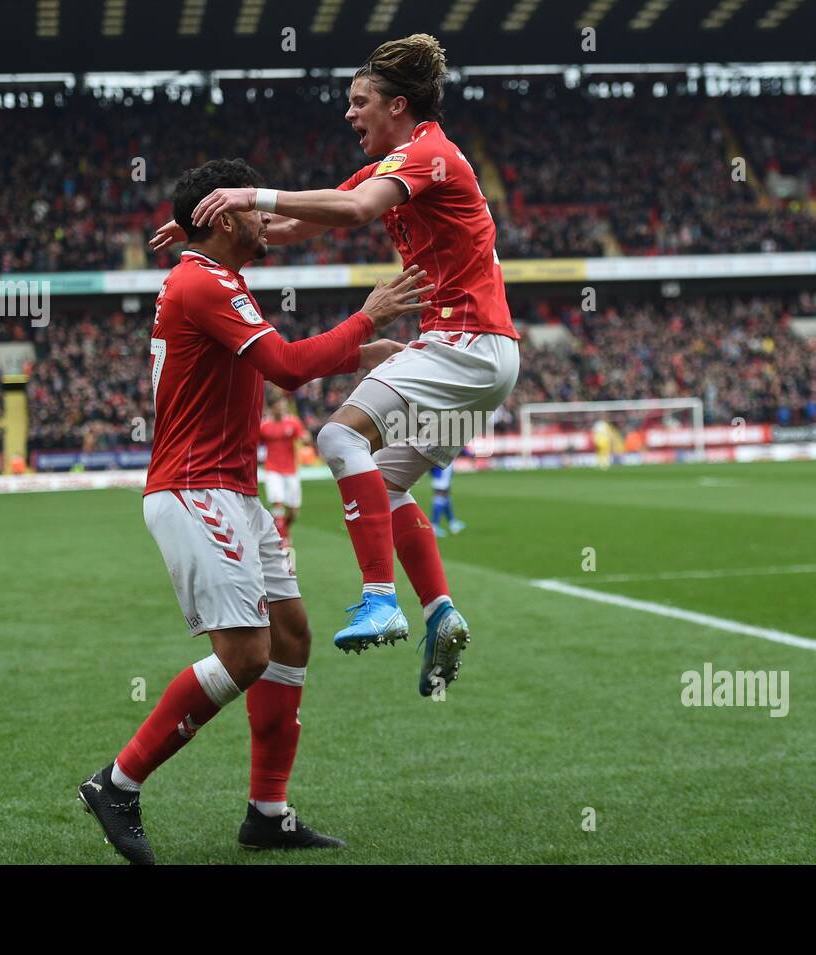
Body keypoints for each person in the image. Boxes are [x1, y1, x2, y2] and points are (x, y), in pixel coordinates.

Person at [79, 158, 431, 863]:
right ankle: (117, 782)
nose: (265, 220)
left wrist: (361, 349)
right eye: (252, 209)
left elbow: (279, 349)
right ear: (223, 219)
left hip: (235, 492)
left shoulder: (215, 277)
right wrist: (369, 315)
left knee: (291, 637)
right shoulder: (200, 280)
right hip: (195, 488)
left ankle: (267, 812)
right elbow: (288, 368)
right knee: (246, 655)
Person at [154, 34, 519, 698]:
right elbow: (298, 227)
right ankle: (442, 612)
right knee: (386, 480)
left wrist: (251, 190)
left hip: (465, 346)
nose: (349, 116)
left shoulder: (427, 154)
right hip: (484, 359)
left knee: (337, 435)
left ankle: (380, 596)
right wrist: (212, 224)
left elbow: (352, 210)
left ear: (396, 105)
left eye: (360, 103)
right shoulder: (401, 160)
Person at [258, 393, 306, 551]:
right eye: (279, 405)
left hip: (291, 470)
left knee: (293, 511)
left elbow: (303, 437)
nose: (282, 407)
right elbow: (255, 443)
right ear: (272, 408)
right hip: (272, 470)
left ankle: (284, 529)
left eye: (284, 404)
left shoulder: (293, 422)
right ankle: (283, 538)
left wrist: (306, 438)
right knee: (277, 502)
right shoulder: (264, 426)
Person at [429, 462, 465, 537]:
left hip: (443, 466)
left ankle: (452, 523)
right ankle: (434, 526)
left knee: (445, 495)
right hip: (442, 467)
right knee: (440, 495)